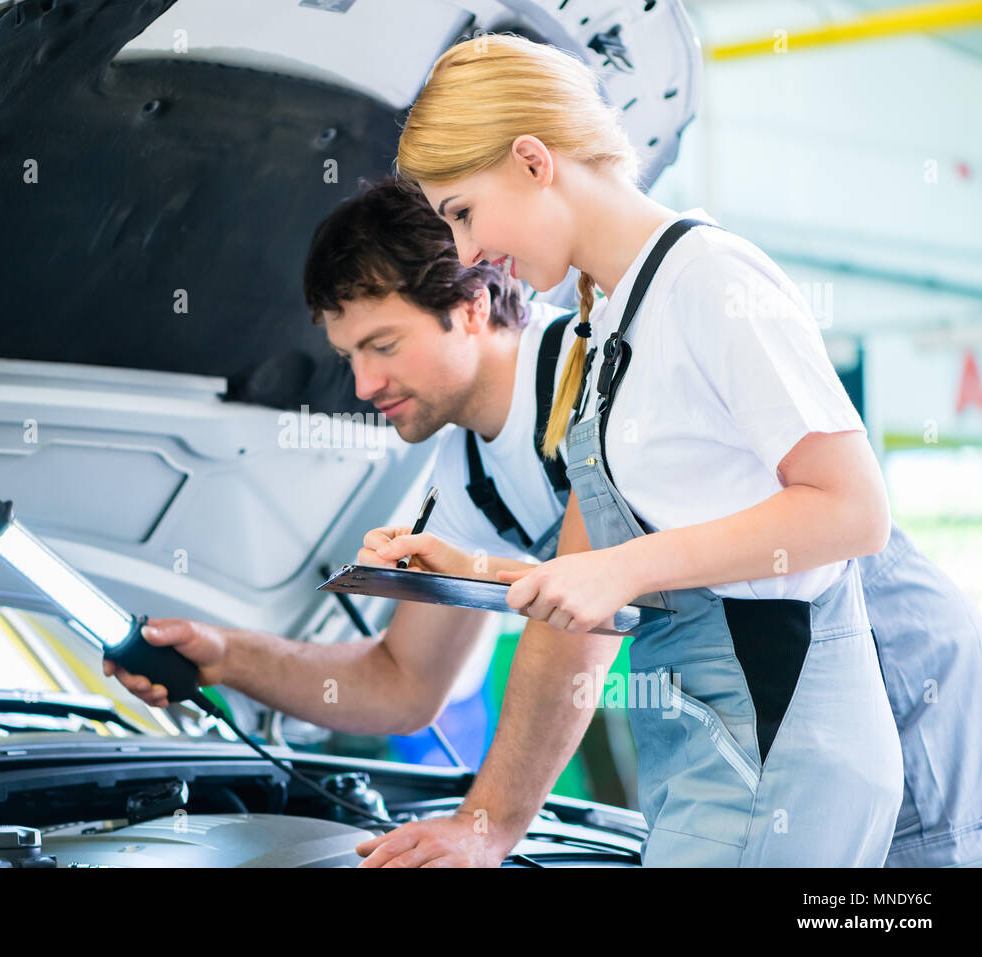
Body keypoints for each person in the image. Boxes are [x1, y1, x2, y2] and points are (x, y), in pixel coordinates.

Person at [377, 32, 982, 866]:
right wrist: (461, 569)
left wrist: (624, 568)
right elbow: (632, 576)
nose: (468, 255)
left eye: (463, 212)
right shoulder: (611, 322)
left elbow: (853, 509)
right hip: (709, 742)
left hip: (779, 739)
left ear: (531, 160)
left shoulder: (709, 280)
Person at [105, 177, 626, 867]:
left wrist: (485, 825)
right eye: (349, 355)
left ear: (471, 308)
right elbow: (403, 683)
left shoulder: (593, 382)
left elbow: (577, 627)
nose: (363, 385)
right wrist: (226, 656)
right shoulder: (464, 474)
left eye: (383, 344)